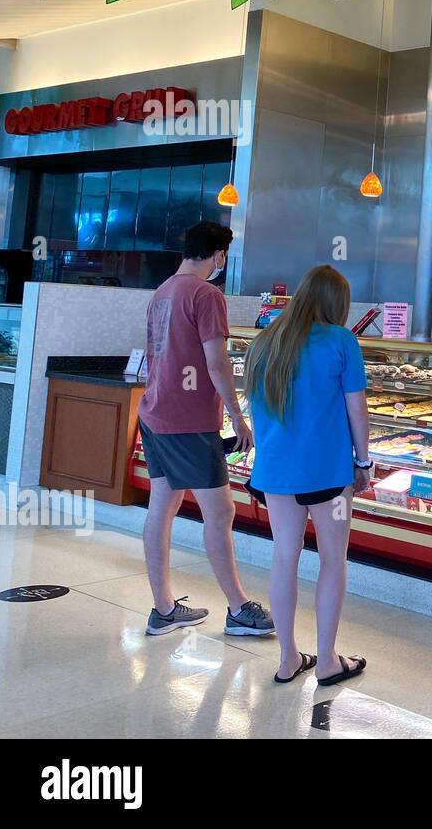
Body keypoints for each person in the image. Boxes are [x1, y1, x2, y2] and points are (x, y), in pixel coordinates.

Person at [139, 221, 275, 638]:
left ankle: (163, 608)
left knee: (162, 504)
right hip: (189, 420)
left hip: (155, 412)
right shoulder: (206, 293)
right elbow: (217, 362)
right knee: (220, 512)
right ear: (219, 255)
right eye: (224, 255)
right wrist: (237, 415)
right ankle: (238, 609)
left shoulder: (163, 291)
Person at [243, 265, 371, 686]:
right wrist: (364, 463)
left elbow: (257, 411)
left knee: (284, 556)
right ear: (338, 303)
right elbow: (357, 409)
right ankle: (329, 660)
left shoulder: (265, 341)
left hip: (275, 473)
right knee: (333, 560)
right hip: (329, 475)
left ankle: (287, 658)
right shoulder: (341, 341)